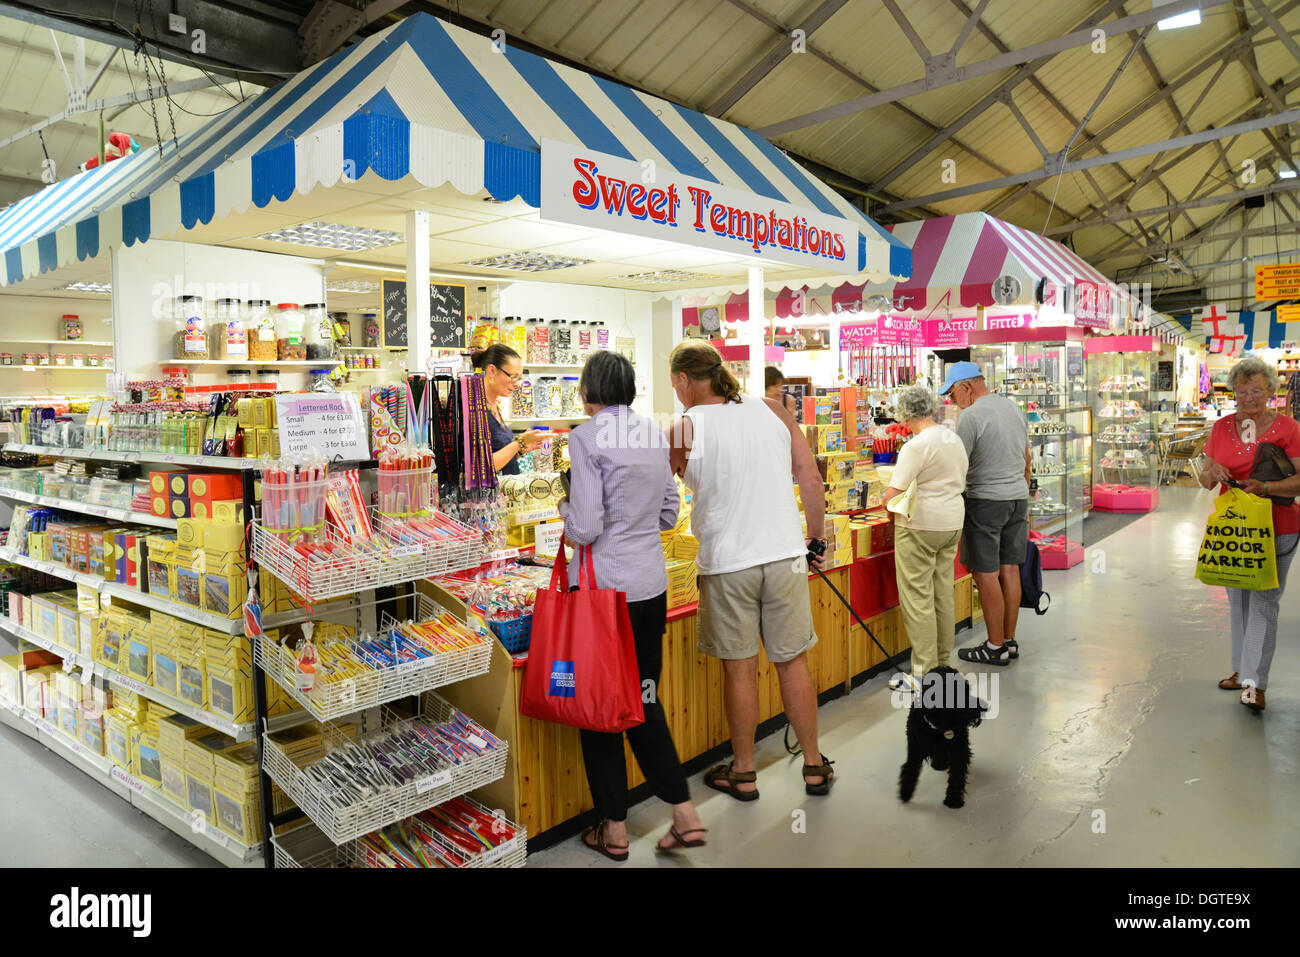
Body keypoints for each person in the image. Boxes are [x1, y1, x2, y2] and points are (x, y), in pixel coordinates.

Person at [668, 340, 834, 800]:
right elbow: (809, 475)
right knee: (792, 662)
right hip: (784, 555)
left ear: (684, 380)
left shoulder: (683, 427)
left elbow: (669, 496)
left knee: (740, 672)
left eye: (675, 383)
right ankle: (815, 765)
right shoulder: (772, 409)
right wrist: (815, 539)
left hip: (727, 563)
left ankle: (743, 772)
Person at [558, 350, 706, 858]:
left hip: (604, 595)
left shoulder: (585, 437)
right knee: (644, 699)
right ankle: (683, 812)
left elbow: (586, 526)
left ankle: (614, 829)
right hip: (649, 587)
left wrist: (563, 505)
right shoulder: (651, 433)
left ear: (588, 391)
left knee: (599, 707)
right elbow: (669, 514)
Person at [1199, 356, 1300, 712]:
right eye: (1242, 391)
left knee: (1263, 603)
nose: (1248, 397)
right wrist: (1213, 470)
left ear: (1271, 390)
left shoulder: (1289, 428)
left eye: (1256, 390)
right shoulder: (1222, 427)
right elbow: (1204, 477)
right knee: (1238, 603)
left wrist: (1268, 488)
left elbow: (1299, 480)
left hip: (1278, 527)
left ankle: (1254, 685)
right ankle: (1243, 670)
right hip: (1236, 530)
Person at [939, 361, 1031, 666]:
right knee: (1010, 568)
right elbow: (1027, 455)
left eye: (952, 394)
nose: (953, 401)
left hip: (986, 502)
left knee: (986, 573)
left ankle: (994, 646)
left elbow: (956, 463)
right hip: (1017, 498)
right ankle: (1009, 640)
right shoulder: (1012, 407)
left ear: (966, 387)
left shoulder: (971, 416)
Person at [883, 386, 969, 679]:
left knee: (918, 599)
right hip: (953, 522)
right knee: (943, 594)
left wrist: (883, 503)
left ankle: (923, 673)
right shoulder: (952, 437)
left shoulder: (916, 446)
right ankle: (944, 664)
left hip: (920, 525)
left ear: (904, 413)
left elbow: (893, 495)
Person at [472, 344, 543, 474]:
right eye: (512, 376)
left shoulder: (494, 407)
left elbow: (499, 456)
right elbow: (481, 467)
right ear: (492, 371)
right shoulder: (476, 409)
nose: (516, 384)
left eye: (519, 378)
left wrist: (520, 449)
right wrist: (518, 443)